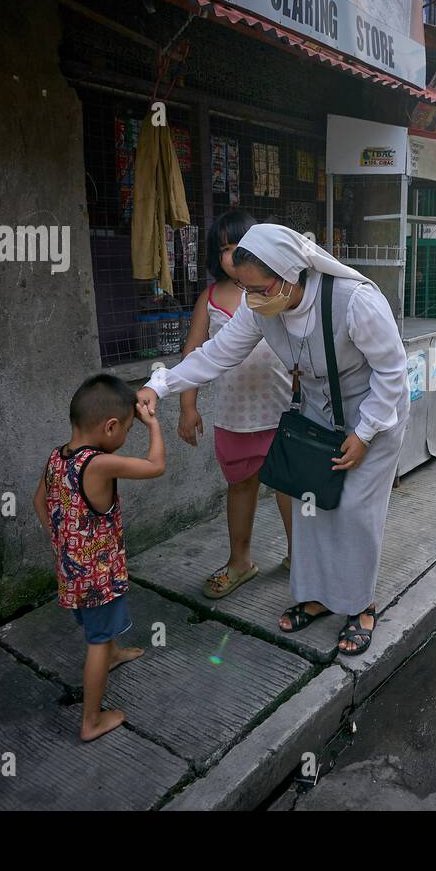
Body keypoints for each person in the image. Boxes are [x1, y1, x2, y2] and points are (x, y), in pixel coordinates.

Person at [137, 224, 408, 657]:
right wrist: (162, 385)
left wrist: (364, 432)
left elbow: (393, 373)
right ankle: (317, 596)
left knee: (355, 510)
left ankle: (360, 606)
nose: (251, 298)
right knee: (312, 506)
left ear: (290, 274)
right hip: (321, 412)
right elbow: (217, 353)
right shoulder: (259, 305)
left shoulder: (354, 300)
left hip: (375, 409)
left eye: (259, 288)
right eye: (245, 288)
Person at [34, 375, 163, 741]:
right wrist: (152, 425)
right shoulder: (99, 463)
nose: (125, 434)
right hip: (99, 579)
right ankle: (91, 720)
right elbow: (156, 466)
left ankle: (113, 652)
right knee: (95, 639)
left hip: (71, 572)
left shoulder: (57, 457)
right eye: (125, 428)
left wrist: (61, 542)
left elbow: (38, 502)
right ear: (109, 427)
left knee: (98, 629)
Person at [178, 210, 293, 600]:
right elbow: (192, 353)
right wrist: (187, 406)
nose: (233, 257)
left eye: (240, 248)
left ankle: (299, 556)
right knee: (240, 487)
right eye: (225, 249)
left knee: (289, 488)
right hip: (234, 417)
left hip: (282, 412)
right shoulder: (209, 299)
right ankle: (240, 561)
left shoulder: (275, 293)